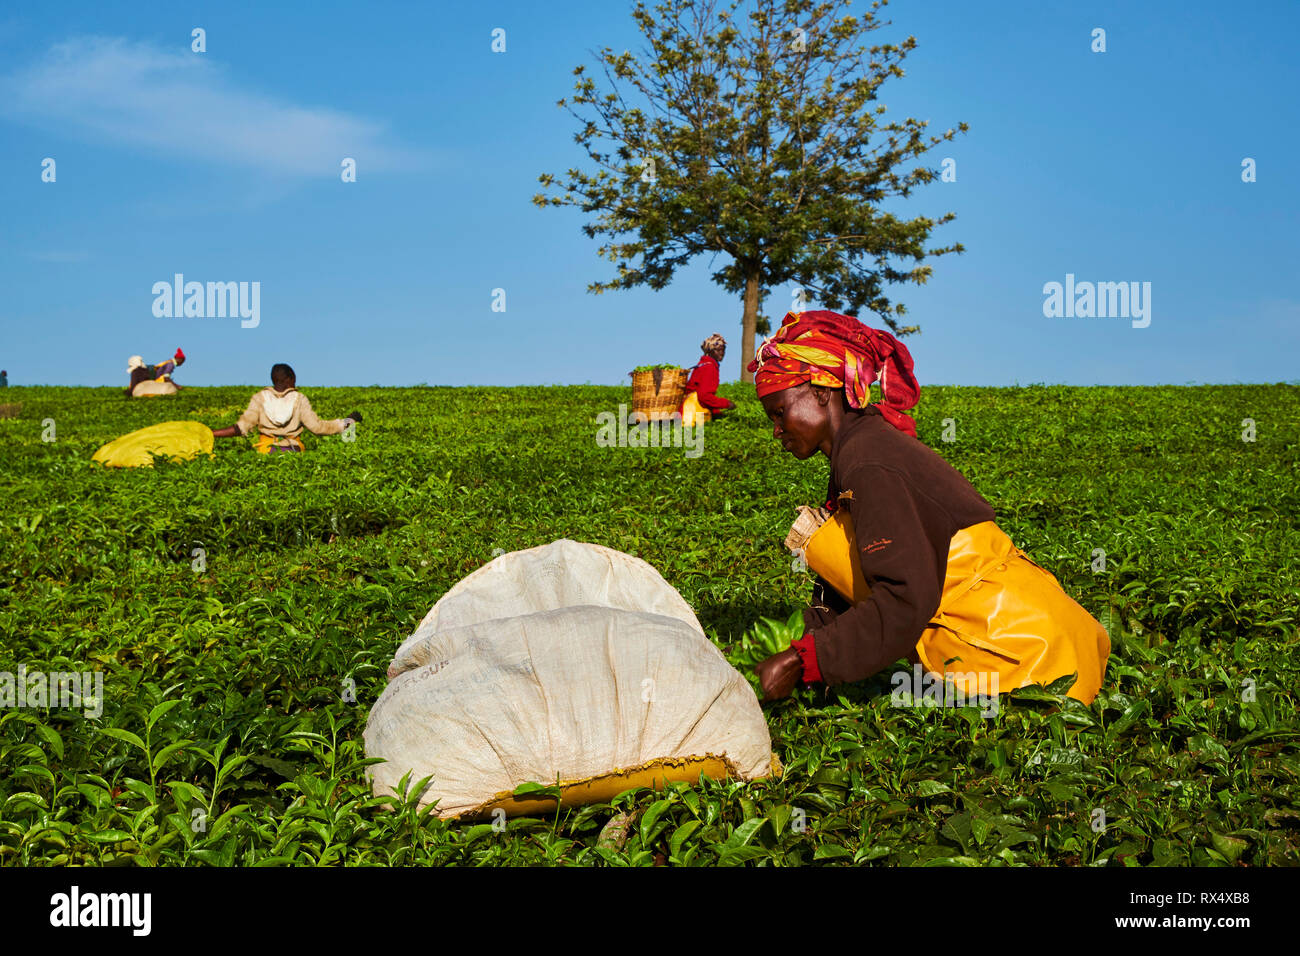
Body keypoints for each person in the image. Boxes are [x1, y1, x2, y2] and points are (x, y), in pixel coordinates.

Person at [749, 310, 1110, 705]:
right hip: (1038, 653)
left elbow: (905, 598)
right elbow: (853, 582)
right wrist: (792, 646)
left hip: (1031, 669)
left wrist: (805, 663)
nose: (776, 431)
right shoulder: (860, 449)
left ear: (821, 391)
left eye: (780, 413)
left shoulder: (869, 462)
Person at [211, 363, 361, 453]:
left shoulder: (259, 398)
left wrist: (211, 433)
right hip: (292, 450)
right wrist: (346, 422)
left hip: (266, 450)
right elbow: (317, 427)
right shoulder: (299, 399)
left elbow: (240, 428)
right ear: (290, 379)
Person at [680, 333, 735, 425]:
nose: (722, 353)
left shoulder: (703, 364)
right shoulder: (709, 368)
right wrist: (726, 404)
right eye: (718, 350)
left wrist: (716, 413)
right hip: (691, 416)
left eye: (723, 349)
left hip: (685, 411)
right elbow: (704, 396)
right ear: (710, 351)